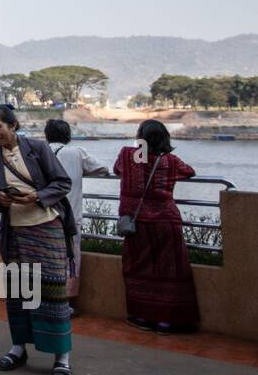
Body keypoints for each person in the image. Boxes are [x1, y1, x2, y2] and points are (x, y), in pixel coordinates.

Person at [0, 104, 75, 375]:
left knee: (53, 293)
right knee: (18, 293)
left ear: (13, 126)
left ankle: (62, 357)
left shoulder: (38, 148)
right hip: (15, 233)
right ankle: (18, 348)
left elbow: (62, 183)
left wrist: (35, 197)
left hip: (47, 229)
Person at [115, 120, 199, 333]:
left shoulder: (127, 155)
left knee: (137, 266)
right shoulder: (170, 161)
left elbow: (117, 170)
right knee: (171, 270)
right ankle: (168, 320)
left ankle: (142, 316)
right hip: (166, 221)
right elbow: (190, 171)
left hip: (137, 222)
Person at [44, 119, 110, 311]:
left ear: (47, 135)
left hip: (44, 215)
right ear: (68, 135)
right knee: (71, 258)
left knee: (46, 258)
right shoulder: (77, 153)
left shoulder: (40, 152)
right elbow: (102, 169)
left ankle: (47, 299)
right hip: (71, 217)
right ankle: (66, 302)